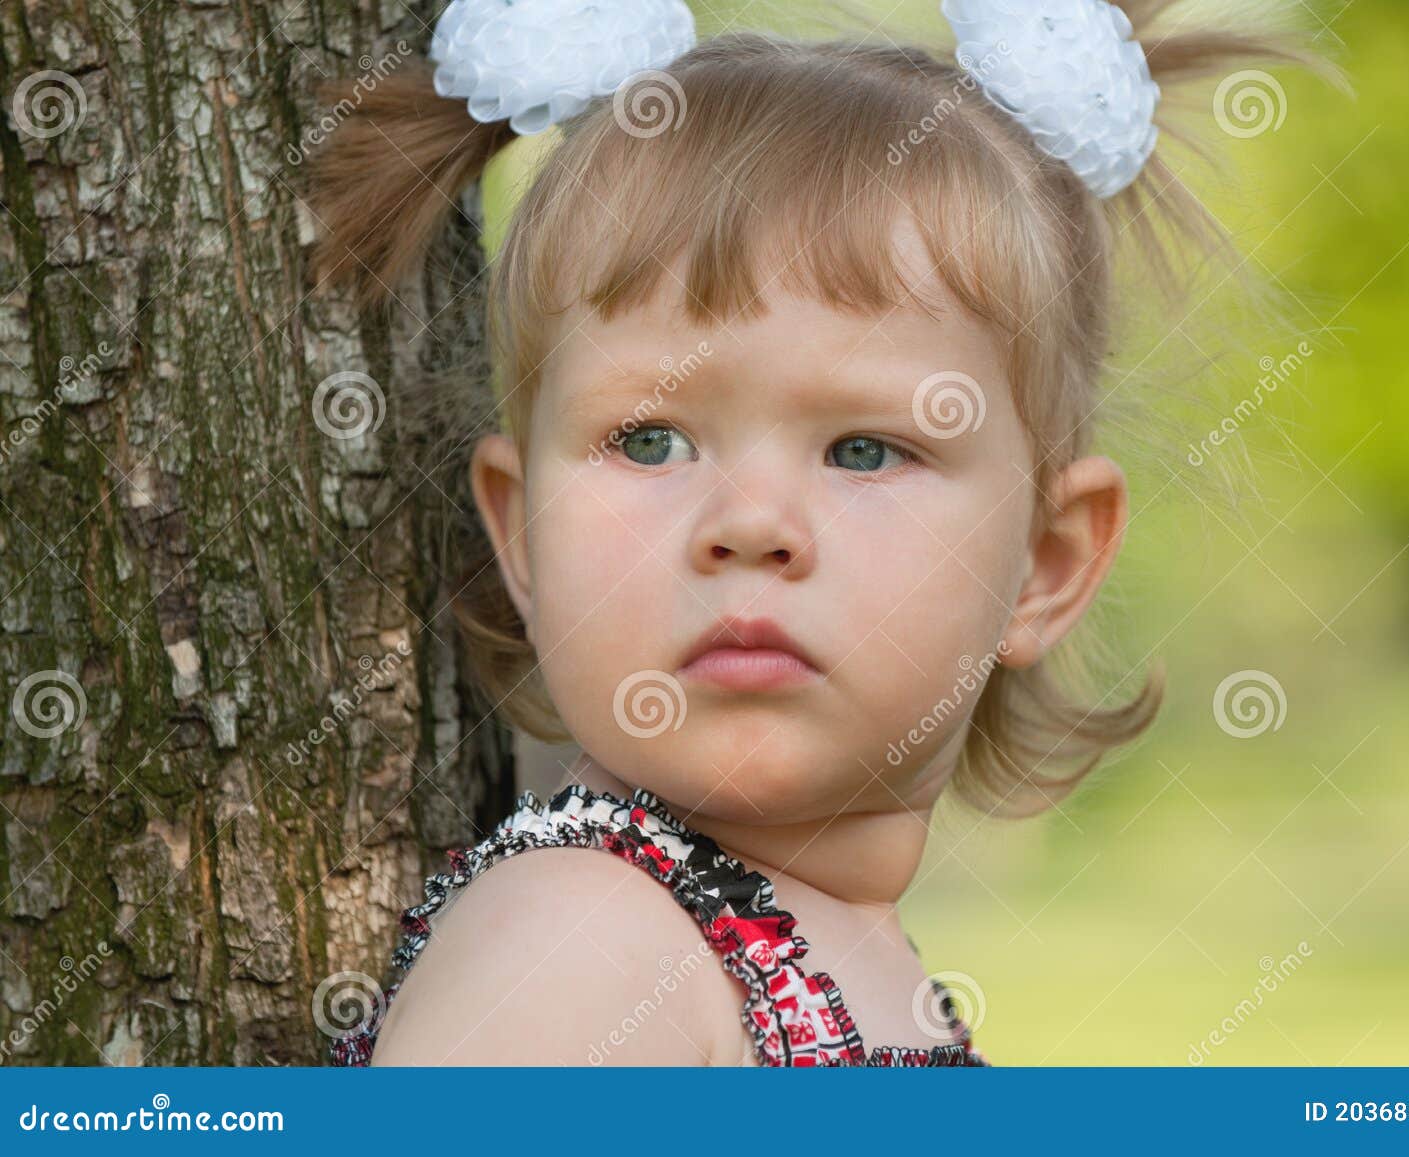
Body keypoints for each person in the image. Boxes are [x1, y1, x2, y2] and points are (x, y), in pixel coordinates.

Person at [309, 0, 1311, 1066]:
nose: (749, 525)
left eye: (864, 450)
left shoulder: (843, 945)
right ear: (521, 534)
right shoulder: (582, 945)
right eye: (649, 441)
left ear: (1046, 564)